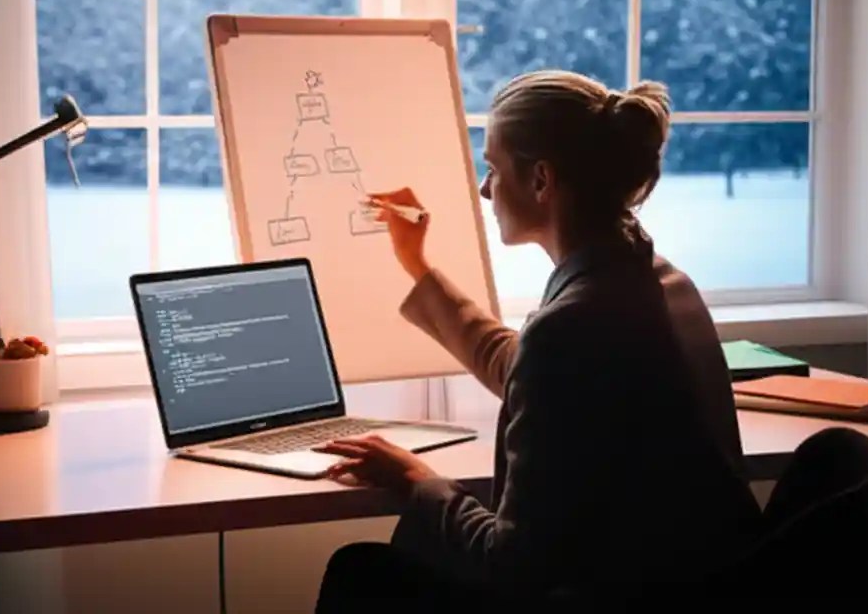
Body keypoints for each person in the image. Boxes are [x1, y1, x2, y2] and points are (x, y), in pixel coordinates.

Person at [314, 71, 762, 612]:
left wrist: (418, 480)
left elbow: (511, 565)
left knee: (363, 573)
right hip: (700, 584)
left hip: (618, 597)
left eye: (493, 169)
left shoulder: (572, 324)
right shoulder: (660, 282)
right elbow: (521, 363)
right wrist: (417, 264)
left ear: (542, 180)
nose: (486, 189)